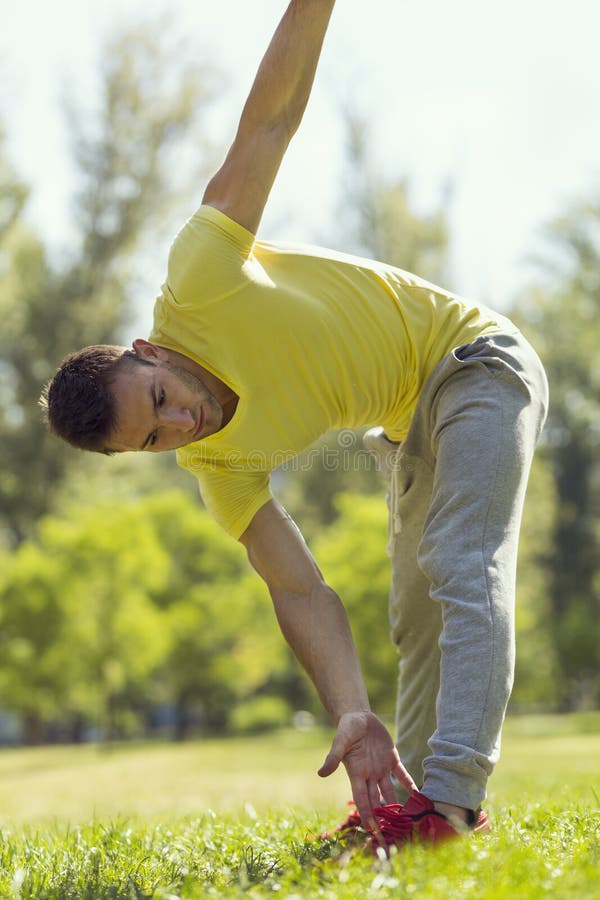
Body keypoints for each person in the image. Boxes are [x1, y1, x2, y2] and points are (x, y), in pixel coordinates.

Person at [40, 0, 548, 848]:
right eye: (156, 440)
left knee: (463, 561)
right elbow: (299, 586)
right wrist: (350, 709)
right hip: (410, 422)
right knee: (418, 609)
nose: (183, 424)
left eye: (161, 401)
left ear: (148, 351)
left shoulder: (199, 278)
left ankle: (453, 806)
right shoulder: (218, 467)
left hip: (477, 361)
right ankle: (404, 807)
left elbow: (269, 122)